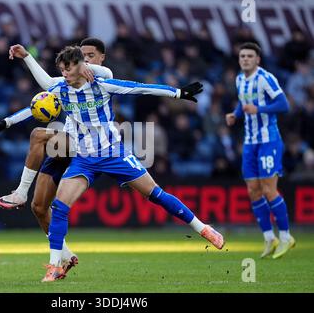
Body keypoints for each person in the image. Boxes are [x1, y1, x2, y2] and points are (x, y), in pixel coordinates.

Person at [29, 45, 224, 282]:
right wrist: (26, 56)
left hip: (114, 154)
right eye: (62, 70)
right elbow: (44, 81)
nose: (64, 74)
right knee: (60, 206)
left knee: (156, 195)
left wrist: (177, 93)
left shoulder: (102, 86)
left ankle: (203, 228)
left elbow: (140, 88)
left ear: (81, 67)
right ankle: (54, 266)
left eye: (68, 69)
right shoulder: (60, 89)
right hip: (84, 159)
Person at [0, 38, 113, 277]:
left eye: (90, 56)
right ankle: (66, 256)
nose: (86, 60)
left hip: (88, 146)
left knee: (38, 135)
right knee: (39, 207)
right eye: (82, 56)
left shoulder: (103, 78)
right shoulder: (66, 84)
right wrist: (6, 122)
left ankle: (20, 192)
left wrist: (87, 68)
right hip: (64, 145)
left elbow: (104, 71)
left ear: (101, 58)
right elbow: (43, 96)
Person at [226, 42, 295, 259]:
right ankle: (269, 238)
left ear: (258, 59)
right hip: (250, 142)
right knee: (253, 190)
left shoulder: (265, 78)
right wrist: (235, 114)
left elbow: (284, 105)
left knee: (268, 189)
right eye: (242, 56)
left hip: (269, 141)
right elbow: (243, 103)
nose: (245, 59)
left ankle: (286, 237)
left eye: (249, 56)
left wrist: (260, 109)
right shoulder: (239, 79)